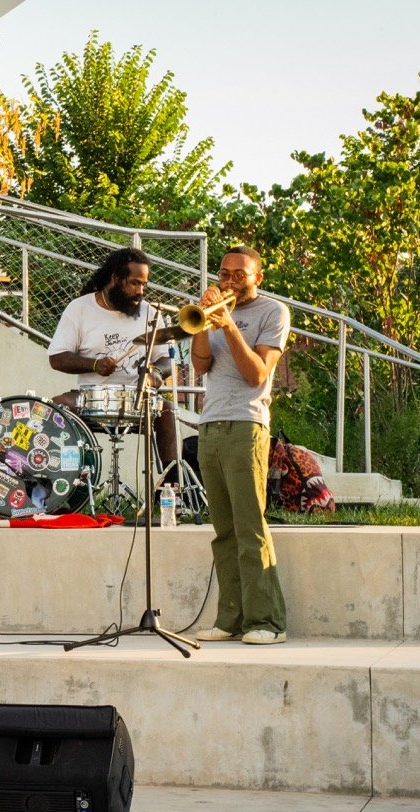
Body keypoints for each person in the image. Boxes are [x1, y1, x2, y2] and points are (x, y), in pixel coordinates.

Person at [189, 246, 290, 645]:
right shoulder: (215, 314)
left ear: (257, 278)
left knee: (250, 528)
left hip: (246, 424)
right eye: (224, 273)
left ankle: (267, 622)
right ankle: (230, 617)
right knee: (223, 531)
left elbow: (256, 374)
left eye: (239, 275)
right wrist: (201, 324)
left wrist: (228, 325)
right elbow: (200, 367)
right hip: (210, 424)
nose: (229, 281)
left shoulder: (272, 312)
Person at [47, 246, 178, 469]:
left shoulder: (149, 312)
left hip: (138, 400)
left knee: (166, 410)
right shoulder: (79, 308)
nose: (140, 291)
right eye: (135, 283)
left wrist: (155, 373)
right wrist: (94, 365)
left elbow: (166, 360)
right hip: (91, 398)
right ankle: (70, 481)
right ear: (116, 279)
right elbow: (57, 358)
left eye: (144, 284)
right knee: (58, 406)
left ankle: (171, 485)